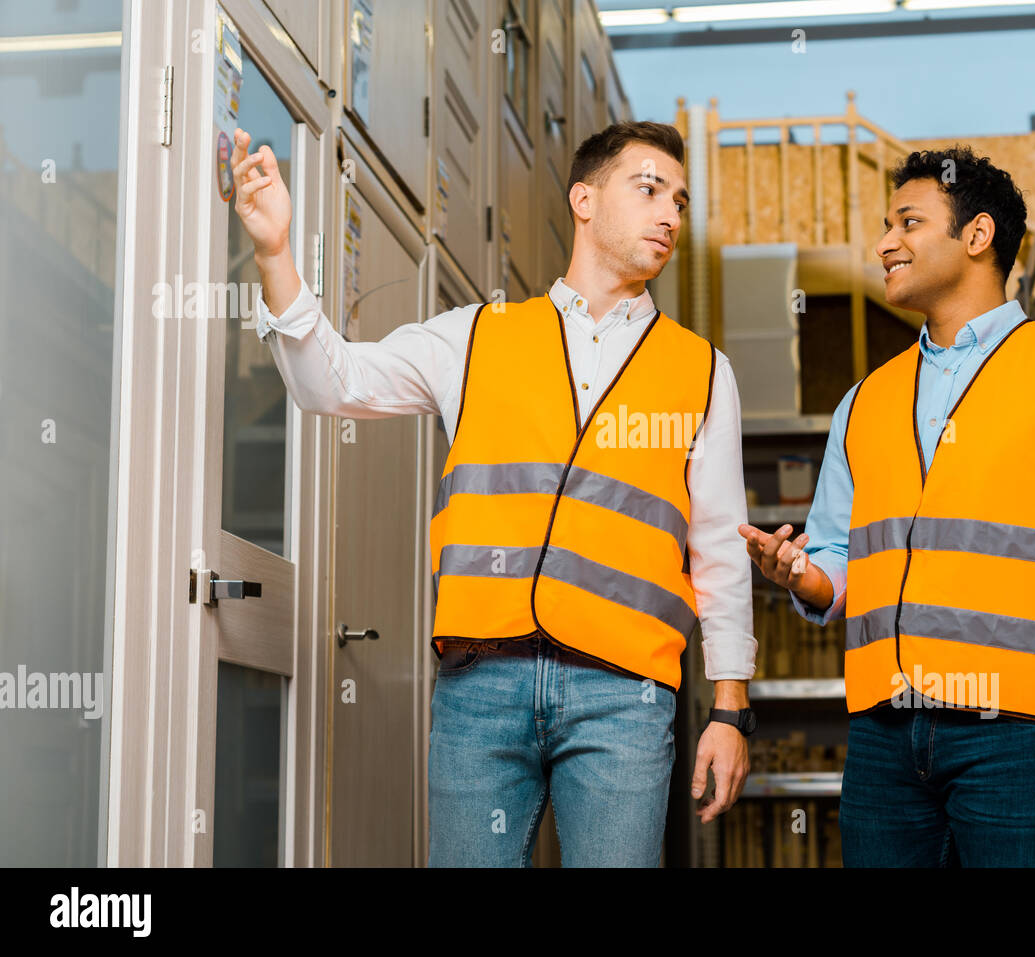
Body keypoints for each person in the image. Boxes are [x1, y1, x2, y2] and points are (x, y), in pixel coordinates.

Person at [231, 120, 756, 867]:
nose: (670, 213)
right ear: (584, 197)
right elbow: (330, 382)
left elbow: (722, 553)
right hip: (482, 686)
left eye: (680, 199)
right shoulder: (476, 336)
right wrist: (276, 253)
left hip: (625, 698)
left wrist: (731, 707)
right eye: (648, 190)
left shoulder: (703, 372)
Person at [740, 146, 1035, 867]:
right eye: (885, 225)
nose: (884, 243)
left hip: (1021, 735)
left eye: (909, 222)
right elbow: (835, 557)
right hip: (883, 741)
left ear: (977, 236)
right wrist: (800, 575)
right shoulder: (864, 401)